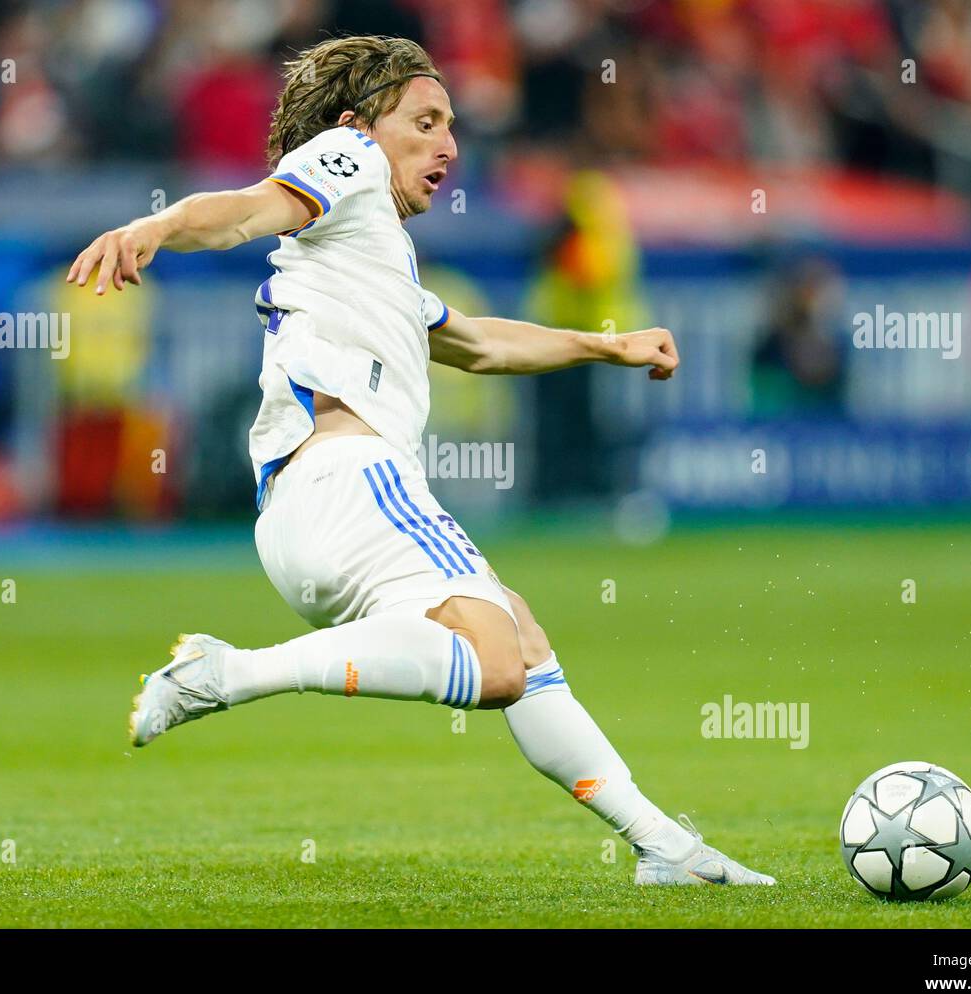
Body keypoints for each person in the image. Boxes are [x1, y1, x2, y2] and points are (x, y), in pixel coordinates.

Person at [67, 35, 774, 887]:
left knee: (518, 639)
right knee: (498, 662)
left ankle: (664, 846)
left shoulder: (369, 258)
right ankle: (228, 673)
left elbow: (478, 344)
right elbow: (249, 209)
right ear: (358, 124)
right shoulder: (350, 159)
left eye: (452, 125)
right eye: (425, 121)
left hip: (307, 514)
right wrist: (157, 226)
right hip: (354, 482)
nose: (447, 145)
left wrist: (607, 345)